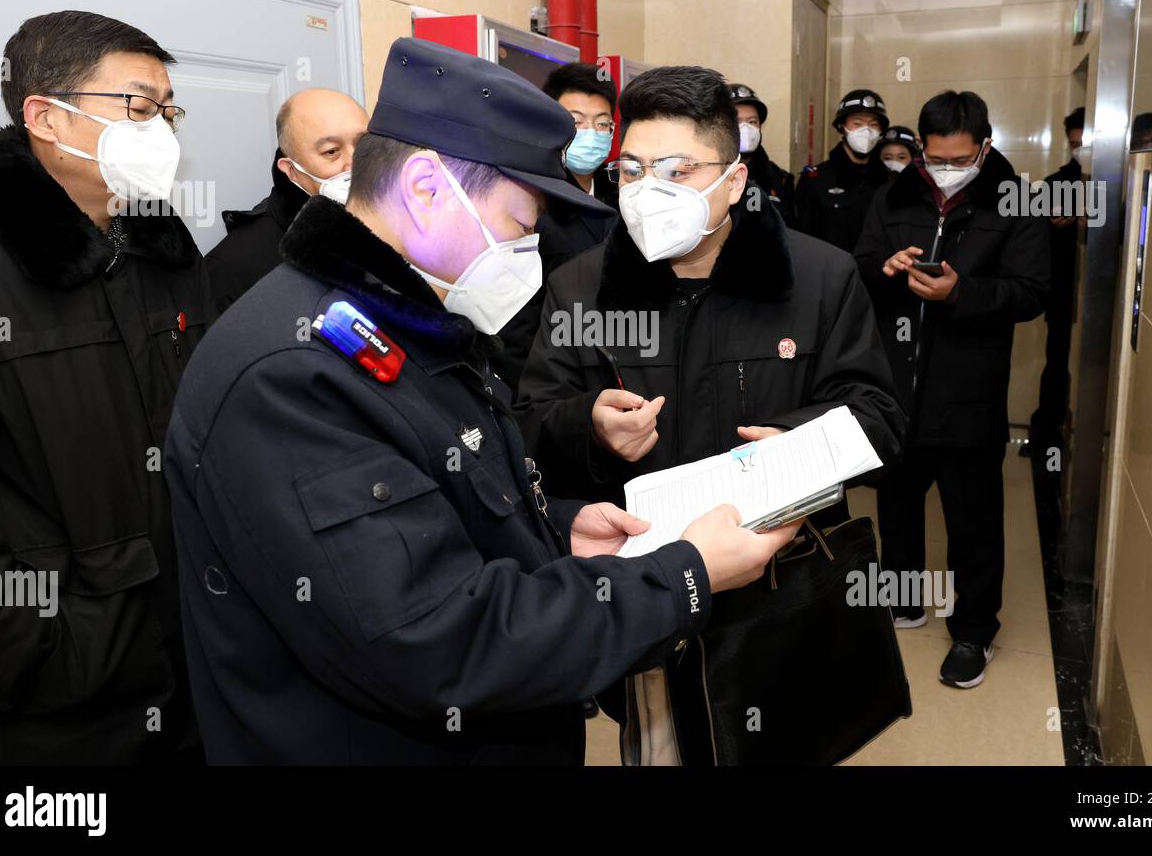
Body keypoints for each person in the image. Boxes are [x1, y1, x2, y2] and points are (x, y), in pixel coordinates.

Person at [162, 37, 799, 765]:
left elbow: (442, 501)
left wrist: (556, 531)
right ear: (427, 189)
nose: (527, 253)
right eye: (520, 227)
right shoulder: (294, 376)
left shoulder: (410, 319)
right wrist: (684, 574)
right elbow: (438, 640)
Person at [516, 65, 905, 762]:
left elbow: (878, 415)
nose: (648, 191)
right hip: (651, 595)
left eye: (676, 170)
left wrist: (792, 442)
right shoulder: (581, 287)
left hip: (780, 595)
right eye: (632, 169)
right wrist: (590, 425)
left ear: (733, 181)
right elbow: (531, 422)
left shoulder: (819, 278)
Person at [0, 10, 211, 763]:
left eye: (167, 111)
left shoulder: (163, 245)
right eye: (137, 106)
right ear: (44, 116)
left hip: (192, 655)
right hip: (59, 699)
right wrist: (41, 649)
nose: (160, 130)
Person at [853, 90, 1049, 689]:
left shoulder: (1016, 202)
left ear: (985, 148)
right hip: (897, 385)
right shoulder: (893, 195)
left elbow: (1032, 292)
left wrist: (961, 293)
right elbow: (861, 263)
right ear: (920, 148)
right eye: (935, 159)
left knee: (974, 519)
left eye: (960, 160)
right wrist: (886, 268)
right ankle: (904, 599)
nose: (945, 170)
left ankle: (973, 630)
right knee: (897, 503)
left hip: (968, 391)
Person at [494, 62, 619, 390]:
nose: (590, 133)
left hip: (616, 361)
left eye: (601, 123)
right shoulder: (530, 200)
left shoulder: (620, 190)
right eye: (576, 122)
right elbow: (515, 316)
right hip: (550, 374)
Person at [206, 88, 368, 309]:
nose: (356, 163)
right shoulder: (234, 265)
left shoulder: (399, 225)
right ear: (291, 170)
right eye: (331, 152)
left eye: (365, 145)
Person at [1026, 107, 1085, 455]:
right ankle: (1047, 434)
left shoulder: (1127, 177)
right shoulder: (1057, 183)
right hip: (1063, 291)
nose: (1080, 150)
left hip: (1109, 294)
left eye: (1085, 143)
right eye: (1074, 144)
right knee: (1058, 361)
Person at [793, 88, 891, 252]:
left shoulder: (888, 180)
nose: (866, 131)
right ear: (842, 127)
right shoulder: (816, 180)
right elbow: (804, 241)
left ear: (881, 131)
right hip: (831, 267)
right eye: (857, 124)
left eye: (873, 124)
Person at [728, 82, 794, 216]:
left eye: (752, 122)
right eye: (736, 122)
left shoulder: (779, 179)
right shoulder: (707, 176)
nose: (745, 129)